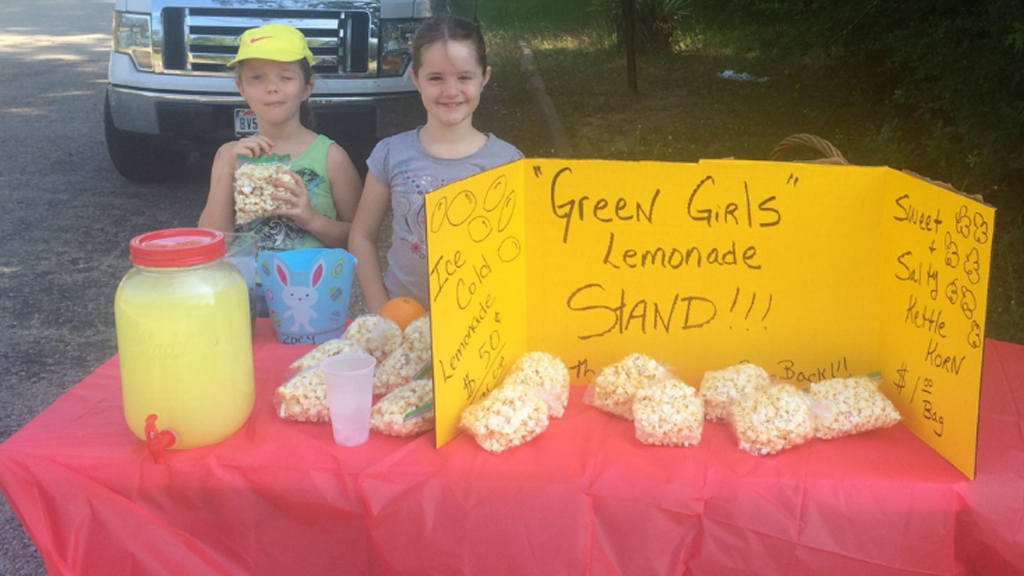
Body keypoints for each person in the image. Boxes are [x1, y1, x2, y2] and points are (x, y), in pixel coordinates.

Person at [349, 14, 523, 313]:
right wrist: (381, 311)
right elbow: (361, 235)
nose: (451, 91)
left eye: (464, 77)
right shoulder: (390, 153)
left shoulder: (508, 162)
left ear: (485, 77)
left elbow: (520, 250)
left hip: (479, 327)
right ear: (416, 78)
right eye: (436, 78)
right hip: (404, 323)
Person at [199, 23, 362, 251]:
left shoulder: (331, 157)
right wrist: (229, 170)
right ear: (241, 87)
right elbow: (212, 242)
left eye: (285, 77)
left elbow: (360, 238)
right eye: (257, 77)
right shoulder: (228, 155)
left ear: (307, 88)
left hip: (312, 284)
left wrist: (312, 219)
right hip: (247, 286)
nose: (272, 87)